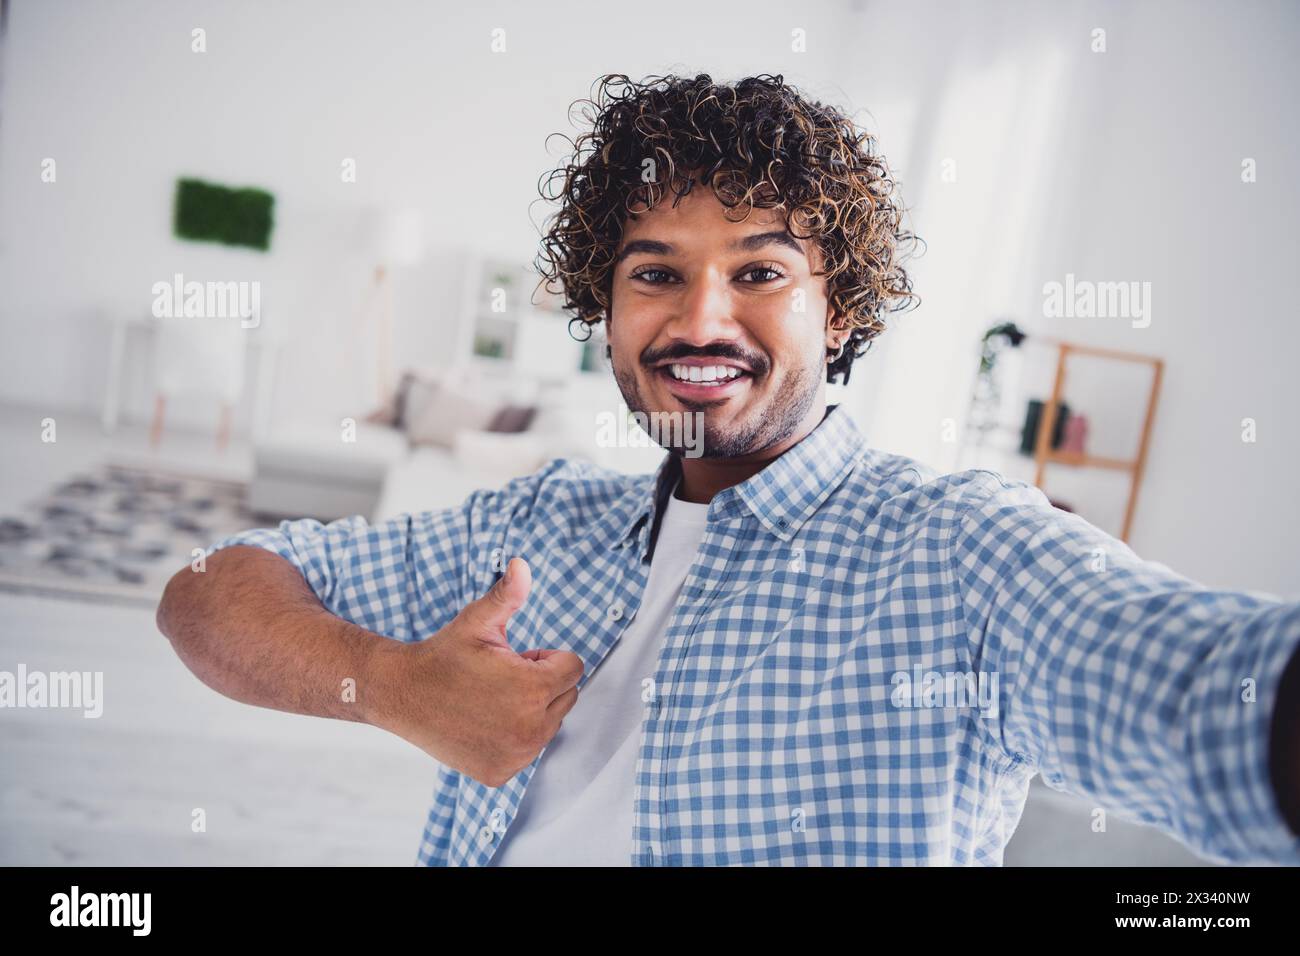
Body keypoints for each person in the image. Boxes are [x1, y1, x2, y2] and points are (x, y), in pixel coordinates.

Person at [157, 73, 1300, 866]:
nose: (700, 320)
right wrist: (392, 683)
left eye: (759, 272)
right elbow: (209, 584)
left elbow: (1204, 688)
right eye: (654, 273)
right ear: (603, 309)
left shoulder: (963, 553)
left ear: (839, 308)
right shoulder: (538, 525)